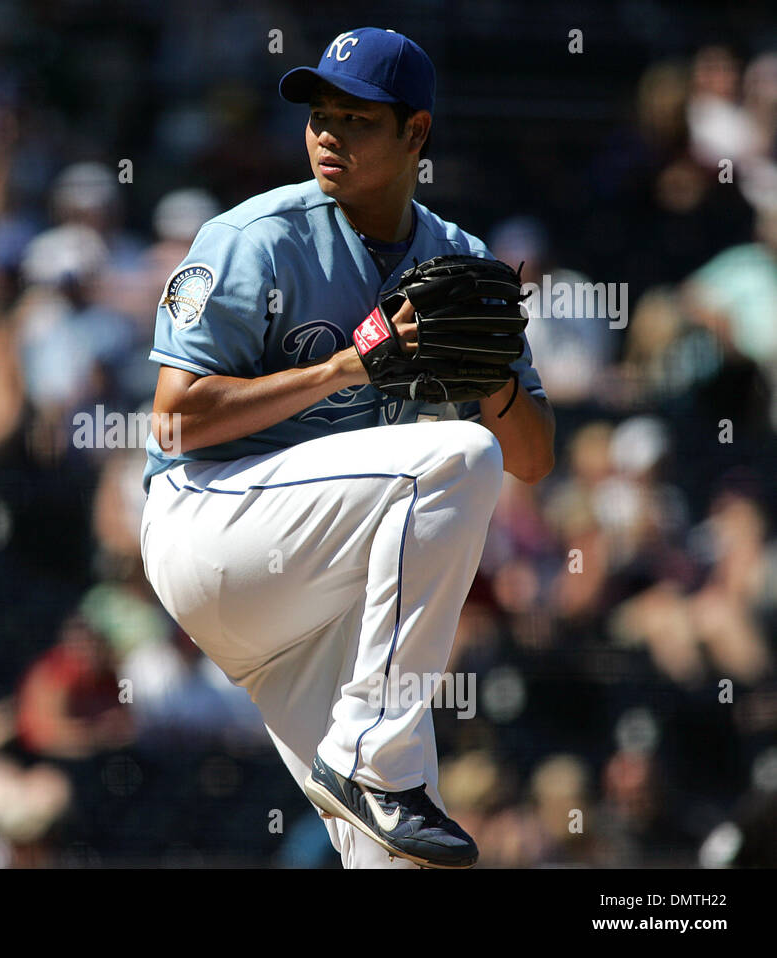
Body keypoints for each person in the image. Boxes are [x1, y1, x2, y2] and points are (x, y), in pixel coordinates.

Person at [138, 28, 555, 868]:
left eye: (356, 119)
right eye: (319, 116)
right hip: (212, 529)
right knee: (457, 456)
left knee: (403, 854)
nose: (328, 134)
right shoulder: (257, 236)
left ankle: (370, 763)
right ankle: (368, 753)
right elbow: (174, 422)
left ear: (416, 134)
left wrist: (494, 382)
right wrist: (343, 366)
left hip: (322, 596)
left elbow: (536, 458)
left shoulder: (460, 261)